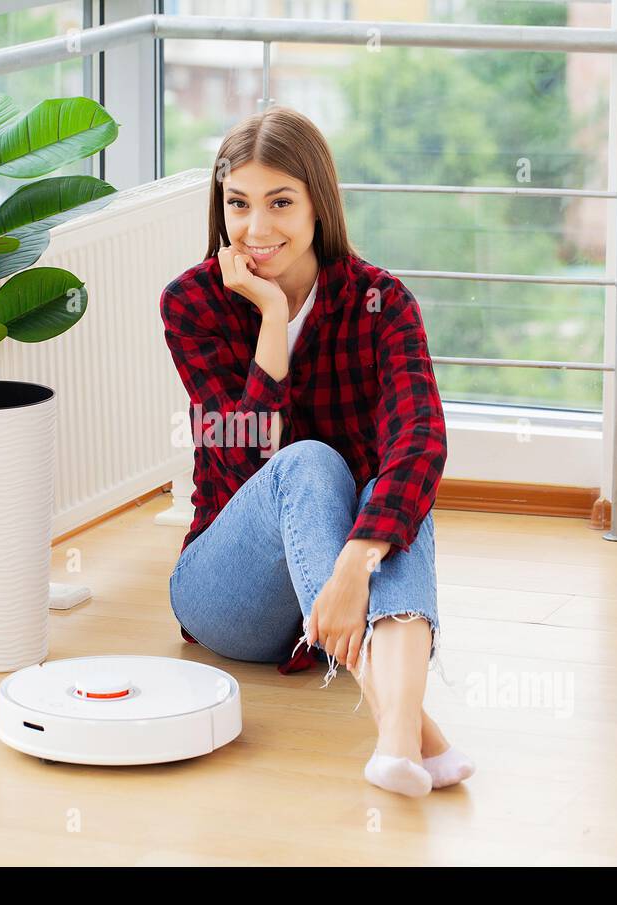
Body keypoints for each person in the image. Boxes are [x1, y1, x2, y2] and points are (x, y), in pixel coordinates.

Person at [161, 106, 475, 798]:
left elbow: (421, 438)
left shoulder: (381, 303)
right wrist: (272, 317)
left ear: (317, 204)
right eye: (238, 204)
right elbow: (246, 458)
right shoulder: (192, 302)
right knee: (306, 460)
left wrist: (354, 566)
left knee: (399, 500)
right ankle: (417, 729)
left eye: (280, 203)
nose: (256, 228)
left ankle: (396, 747)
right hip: (228, 594)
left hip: (338, 594)